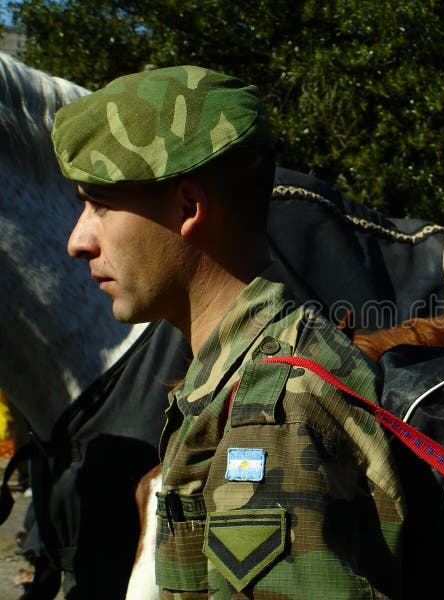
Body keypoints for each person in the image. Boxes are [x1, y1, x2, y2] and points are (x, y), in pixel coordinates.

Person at [51, 66, 405, 598]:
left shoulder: (274, 404)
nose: (78, 241)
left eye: (99, 203)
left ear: (189, 207)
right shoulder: (230, 376)